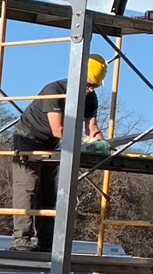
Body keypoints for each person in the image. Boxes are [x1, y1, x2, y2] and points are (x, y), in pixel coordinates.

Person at [8, 54, 106, 251]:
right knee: (27, 188)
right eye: (88, 84)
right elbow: (58, 129)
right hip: (28, 140)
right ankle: (21, 239)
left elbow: (92, 127)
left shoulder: (90, 98)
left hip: (50, 144)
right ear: (78, 76)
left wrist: (101, 143)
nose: (90, 90)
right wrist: (84, 140)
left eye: (94, 86)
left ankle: (46, 242)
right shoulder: (55, 91)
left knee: (48, 192)